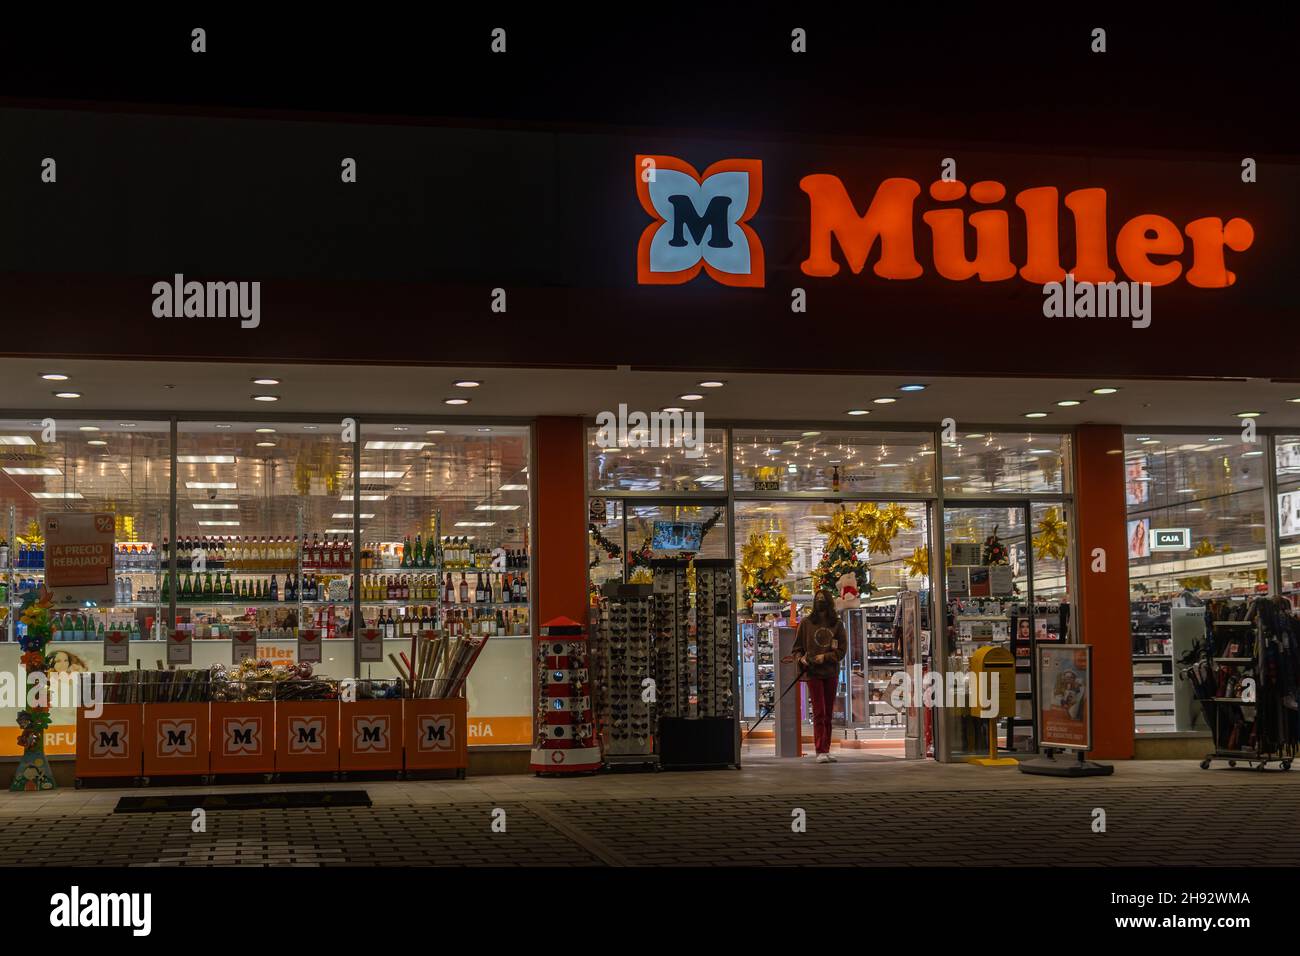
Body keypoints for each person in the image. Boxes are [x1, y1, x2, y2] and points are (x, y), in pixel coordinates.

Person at [783, 590, 847, 763]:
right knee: (819, 712)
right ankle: (820, 750)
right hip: (813, 673)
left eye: (823, 599)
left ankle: (825, 748)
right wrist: (802, 659)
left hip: (831, 672)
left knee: (828, 714)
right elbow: (796, 649)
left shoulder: (837, 624)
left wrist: (825, 657)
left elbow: (842, 650)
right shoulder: (806, 623)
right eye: (817, 599)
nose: (820, 602)